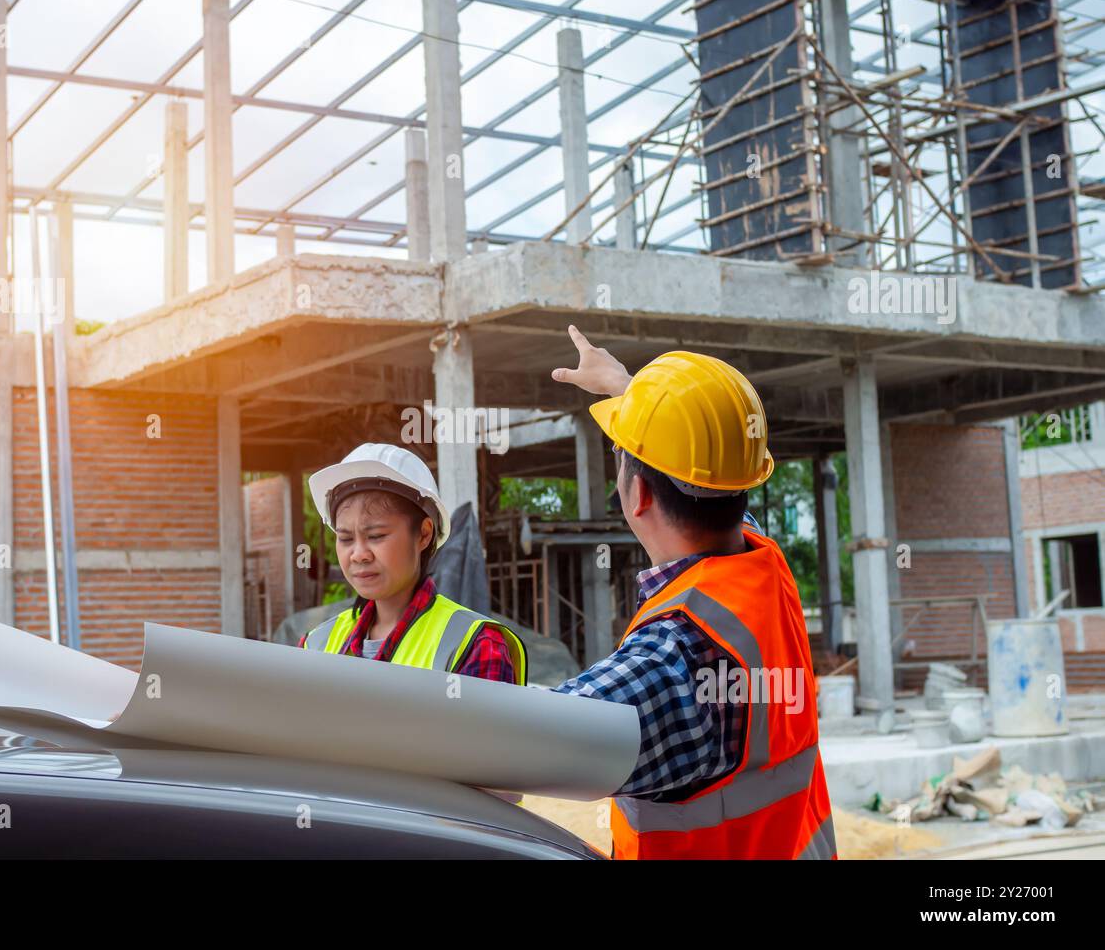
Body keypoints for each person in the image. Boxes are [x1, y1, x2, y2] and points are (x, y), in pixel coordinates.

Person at [550, 325, 835, 860]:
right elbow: (711, 471)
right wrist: (625, 386)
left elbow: (527, 739)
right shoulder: (764, 570)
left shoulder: (674, 657)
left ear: (635, 494)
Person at [299, 443, 527, 685]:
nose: (358, 554)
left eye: (376, 536)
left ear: (424, 534)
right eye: (345, 538)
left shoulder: (475, 645)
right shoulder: (316, 644)